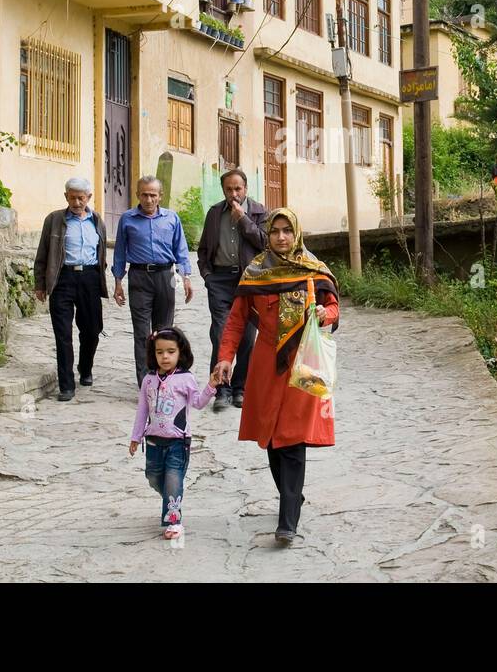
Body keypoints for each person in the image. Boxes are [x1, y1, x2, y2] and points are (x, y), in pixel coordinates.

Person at [216, 207, 339, 546]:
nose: (282, 237)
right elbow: (237, 320)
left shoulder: (314, 270)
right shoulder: (256, 273)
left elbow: (334, 307)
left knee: (292, 437)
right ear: (267, 235)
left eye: (287, 231)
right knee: (271, 438)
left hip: (304, 361)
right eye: (275, 231)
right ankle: (291, 497)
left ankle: (288, 519)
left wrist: (323, 314)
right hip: (266, 363)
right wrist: (225, 358)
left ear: (296, 233)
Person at [129, 327, 219, 540]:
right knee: (152, 477)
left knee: (172, 480)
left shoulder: (186, 379)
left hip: (178, 441)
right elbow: (142, 409)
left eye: (170, 351)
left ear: (181, 353)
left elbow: (197, 403)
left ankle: (174, 521)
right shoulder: (148, 380)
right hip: (152, 440)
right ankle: (171, 499)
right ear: (154, 354)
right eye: (160, 352)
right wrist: (136, 436)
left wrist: (211, 386)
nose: (165, 356)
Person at [112, 176, 194, 389]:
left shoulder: (172, 219)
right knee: (141, 333)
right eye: (144, 194)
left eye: (153, 195)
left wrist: (186, 277)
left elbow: (181, 250)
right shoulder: (128, 219)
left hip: (165, 276)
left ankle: (164, 380)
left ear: (160, 196)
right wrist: (118, 281)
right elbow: (120, 252)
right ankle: (146, 383)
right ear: (138, 194)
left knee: (164, 331)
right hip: (139, 277)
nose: (148, 199)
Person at [197, 168, 268, 411]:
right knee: (220, 334)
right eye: (229, 189)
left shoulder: (259, 212)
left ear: (246, 189)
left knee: (248, 338)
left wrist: (243, 219)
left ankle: (240, 387)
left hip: (248, 282)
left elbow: (265, 243)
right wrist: (207, 275)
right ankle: (221, 390)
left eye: (238, 188)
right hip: (219, 281)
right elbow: (204, 249)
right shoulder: (215, 213)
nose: (234, 193)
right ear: (224, 190)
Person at [33, 178, 109, 402]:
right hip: (62, 278)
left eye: (81, 198)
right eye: (72, 197)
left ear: (89, 198)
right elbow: (42, 253)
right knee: (63, 334)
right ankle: (66, 385)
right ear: (66, 196)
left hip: (90, 278)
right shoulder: (54, 220)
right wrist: (40, 284)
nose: (77, 202)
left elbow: (102, 252)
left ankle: (85, 369)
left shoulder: (97, 221)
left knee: (92, 330)